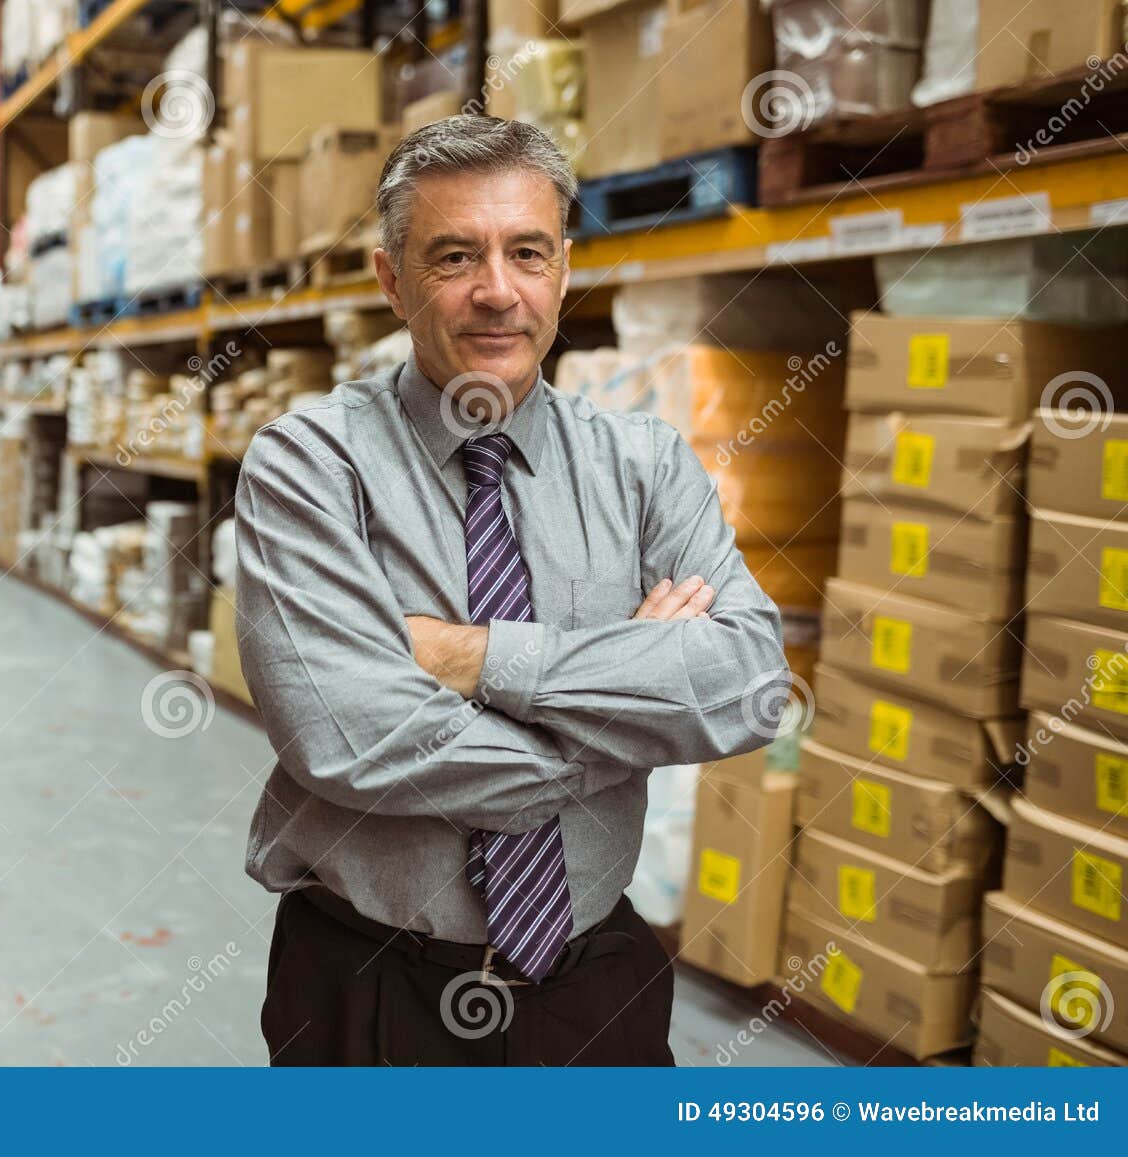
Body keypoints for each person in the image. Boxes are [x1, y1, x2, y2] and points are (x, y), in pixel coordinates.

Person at [232, 116, 789, 1066]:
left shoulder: (644, 463)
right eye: (454, 256)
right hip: (370, 992)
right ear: (390, 279)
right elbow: (351, 738)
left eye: (527, 251)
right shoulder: (312, 465)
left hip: (597, 980)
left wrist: (470, 657)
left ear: (564, 268)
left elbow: (746, 682)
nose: (498, 291)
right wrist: (627, 711)